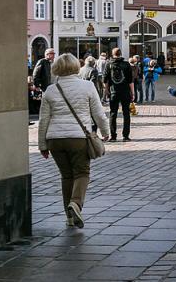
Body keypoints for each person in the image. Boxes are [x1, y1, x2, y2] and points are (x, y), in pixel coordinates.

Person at [37, 53, 110, 228]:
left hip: (55, 140)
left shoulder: (50, 90)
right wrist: (105, 131)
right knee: (82, 173)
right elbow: (98, 113)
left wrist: (42, 145)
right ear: (76, 66)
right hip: (78, 138)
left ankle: (69, 217)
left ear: (57, 68)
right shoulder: (87, 86)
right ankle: (76, 204)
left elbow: (43, 120)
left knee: (66, 176)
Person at [103, 48, 134, 141]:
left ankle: (113, 136)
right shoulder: (126, 64)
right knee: (126, 113)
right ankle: (125, 135)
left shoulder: (109, 64)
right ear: (120, 54)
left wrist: (106, 91)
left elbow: (105, 80)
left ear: (112, 54)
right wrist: (132, 92)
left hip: (113, 92)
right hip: (125, 91)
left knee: (113, 113)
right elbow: (130, 80)